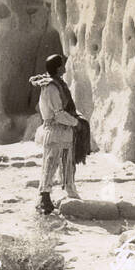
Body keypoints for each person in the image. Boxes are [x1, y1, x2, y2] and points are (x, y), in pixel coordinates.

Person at [30, 54, 86, 214]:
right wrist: (76, 123)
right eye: (63, 65)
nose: (65, 67)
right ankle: (44, 198)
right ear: (59, 68)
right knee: (51, 164)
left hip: (63, 132)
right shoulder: (51, 87)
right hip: (56, 131)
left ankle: (70, 193)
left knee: (67, 163)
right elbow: (58, 113)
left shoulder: (57, 84)